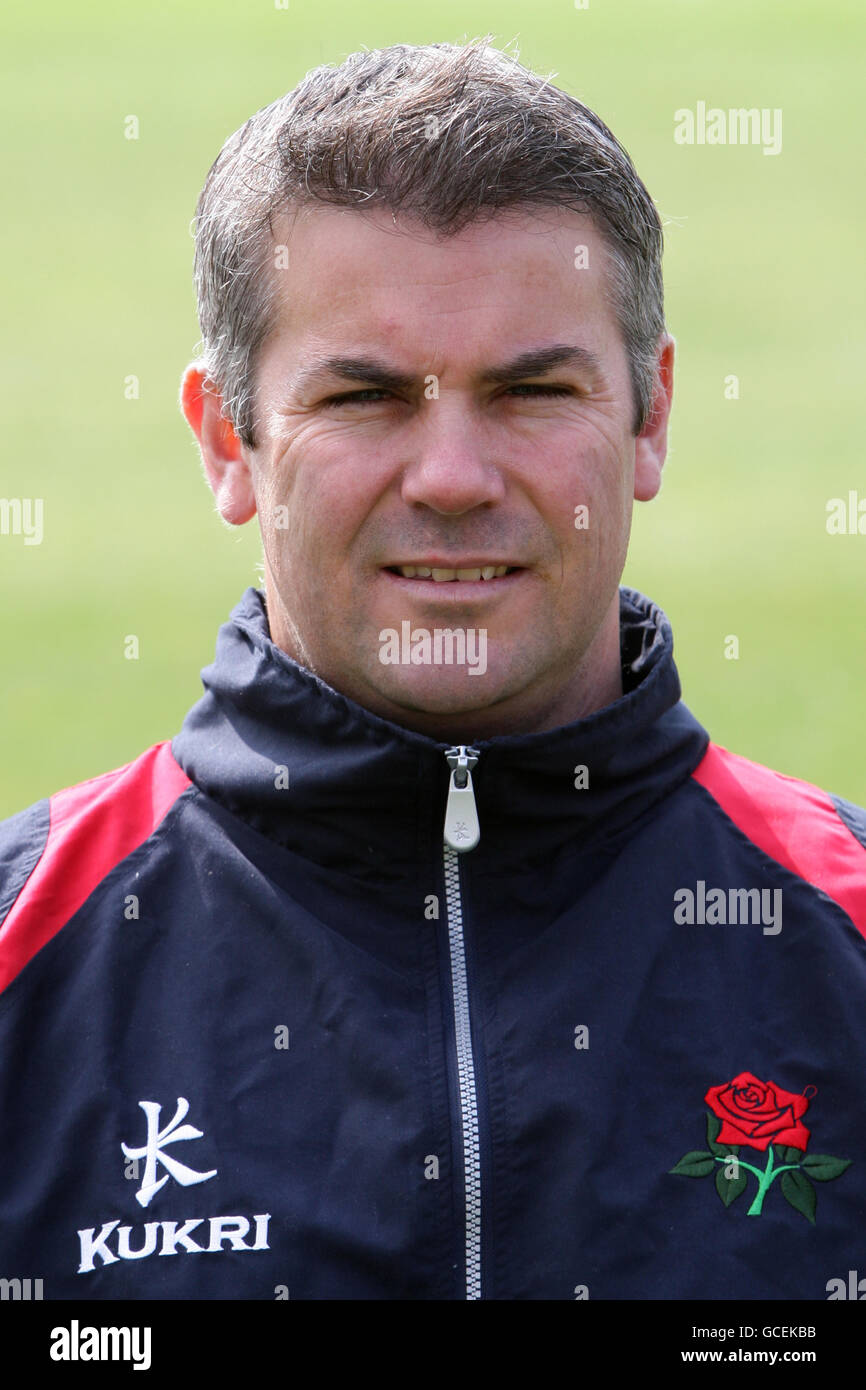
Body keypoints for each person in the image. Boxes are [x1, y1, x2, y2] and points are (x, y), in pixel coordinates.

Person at [0, 37, 864, 1302]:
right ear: (227, 440)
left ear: (649, 415)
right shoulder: (29, 956)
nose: (452, 477)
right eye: (363, 400)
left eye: (529, 390)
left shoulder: (840, 937)